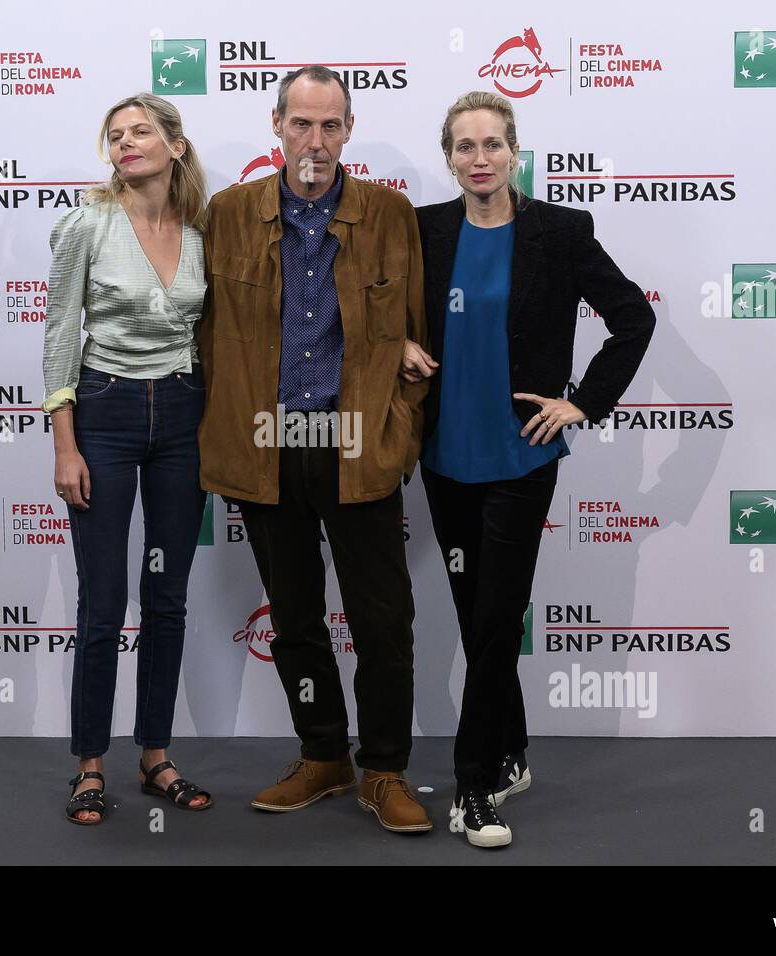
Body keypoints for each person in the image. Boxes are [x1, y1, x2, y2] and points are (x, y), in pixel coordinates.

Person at [403, 91, 656, 848]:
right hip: (446, 457)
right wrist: (394, 348)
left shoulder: (561, 231)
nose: (479, 158)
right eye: (464, 146)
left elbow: (633, 319)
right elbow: (376, 310)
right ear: (449, 157)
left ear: (515, 150)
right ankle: (511, 752)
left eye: (492, 144)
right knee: (479, 615)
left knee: (493, 622)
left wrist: (583, 402)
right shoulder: (425, 231)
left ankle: (472, 789)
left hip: (521, 455)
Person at [196, 66, 433, 833]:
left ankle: (386, 769)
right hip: (268, 443)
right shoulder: (228, 215)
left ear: (349, 131)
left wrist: (398, 428)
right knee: (294, 619)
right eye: (302, 123)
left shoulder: (390, 215)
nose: (315, 140)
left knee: (383, 620)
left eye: (330, 125)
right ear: (277, 125)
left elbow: (418, 334)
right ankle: (324, 755)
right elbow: (203, 337)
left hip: (356, 438)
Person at [42, 92, 213, 825]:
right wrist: (65, 444)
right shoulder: (86, 224)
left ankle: (155, 757)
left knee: (167, 600)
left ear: (176, 145)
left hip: (183, 415)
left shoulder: (204, 231)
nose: (126, 142)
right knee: (104, 601)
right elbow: (58, 335)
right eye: (115, 134)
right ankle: (88, 766)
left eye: (142, 131)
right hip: (105, 415)